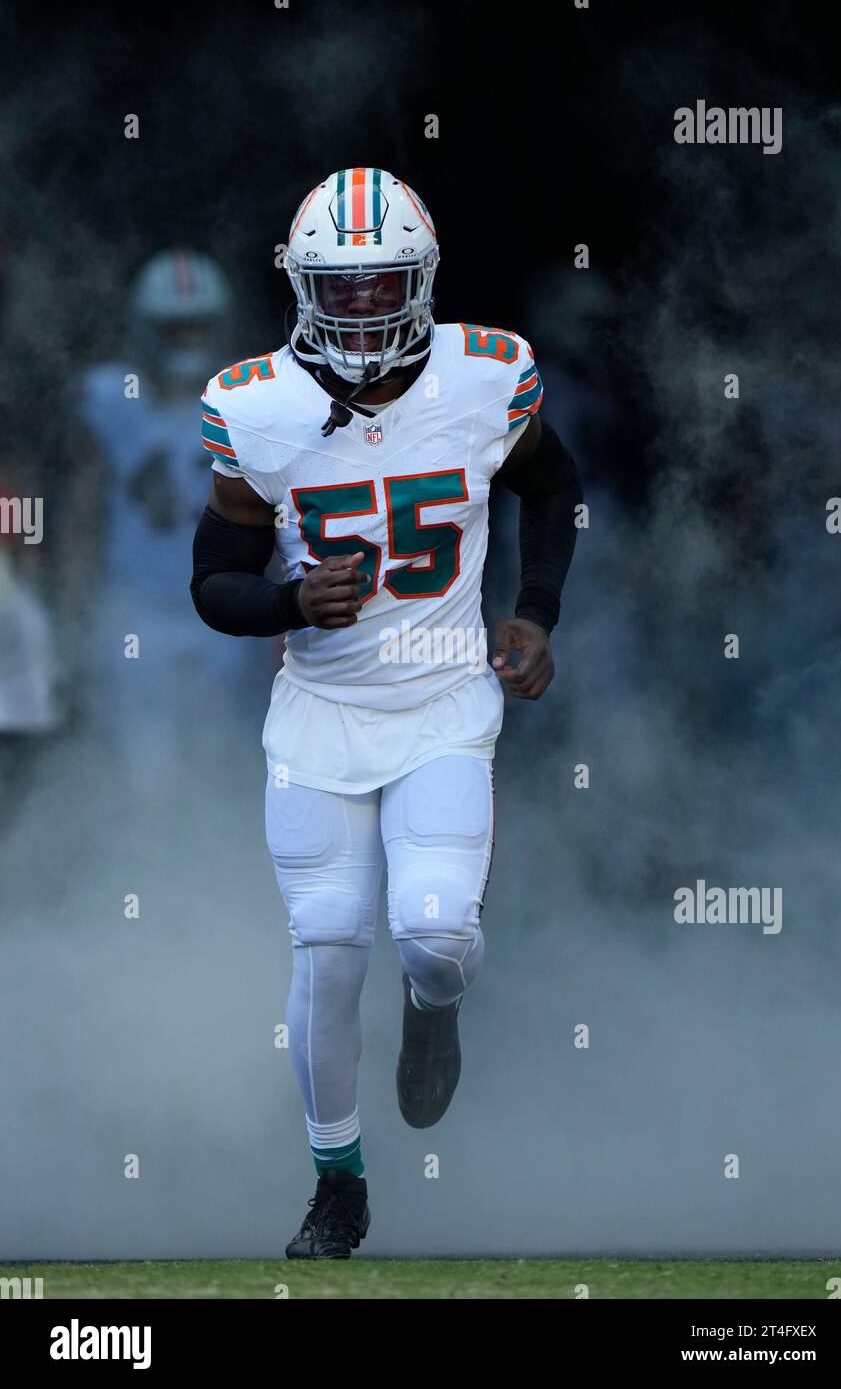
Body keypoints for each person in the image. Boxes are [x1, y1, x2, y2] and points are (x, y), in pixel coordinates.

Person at [191, 168, 581, 1258]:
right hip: (319, 709)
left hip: (444, 697)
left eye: (382, 284)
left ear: (421, 280)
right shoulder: (253, 405)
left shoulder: (486, 375)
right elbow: (214, 575)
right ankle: (337, 1182)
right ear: (305, 286)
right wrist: (281, 599)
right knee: (325, 942)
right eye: (341, 286)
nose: (362, 305)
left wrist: (536, 612)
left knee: (436, 937)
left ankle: (435, 1004)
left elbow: (552, 486)